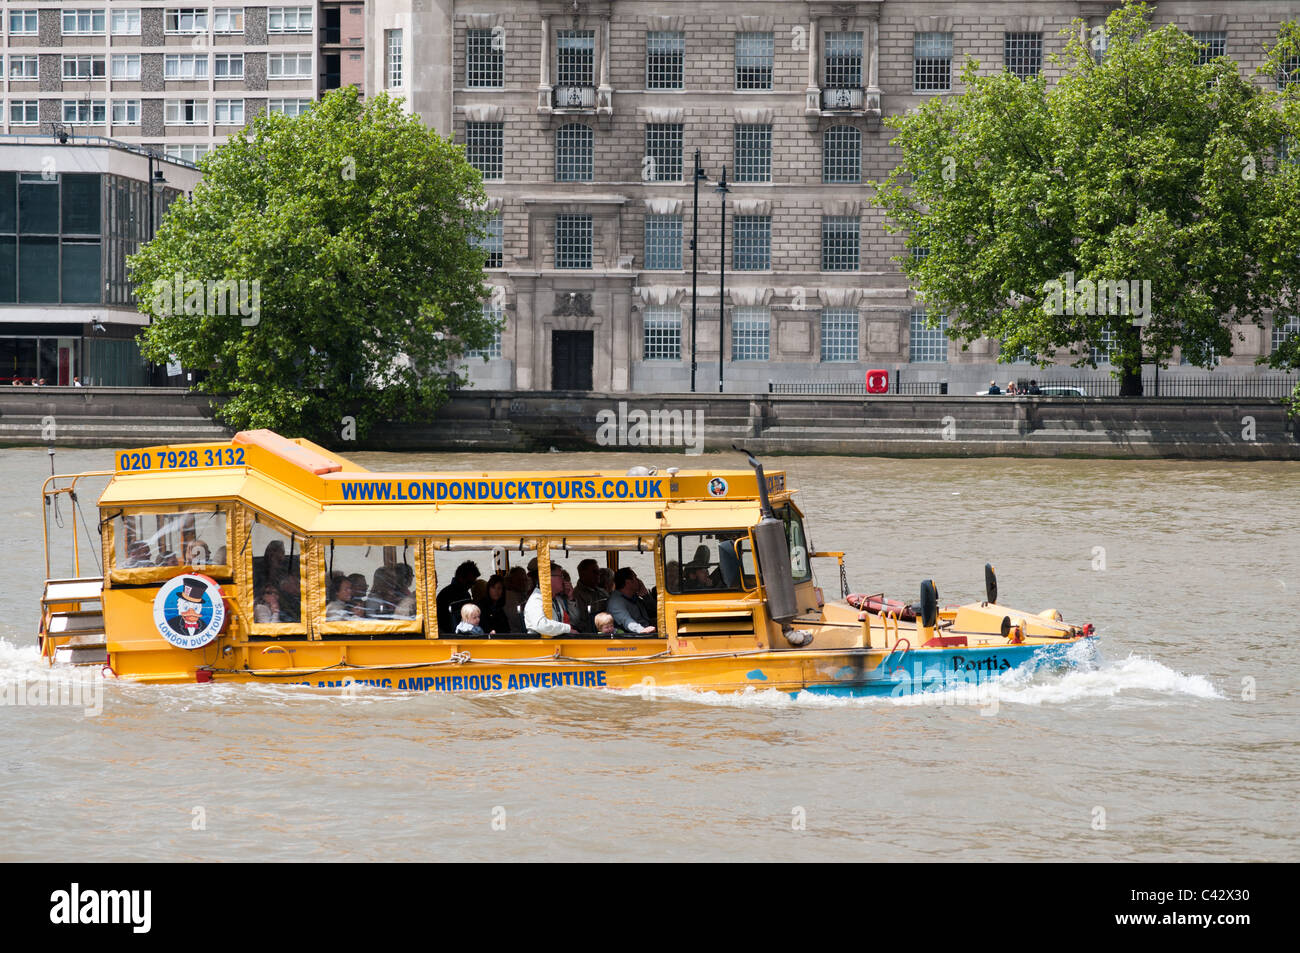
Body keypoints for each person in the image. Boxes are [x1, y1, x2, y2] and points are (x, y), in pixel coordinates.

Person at [523, 563, 574, 638]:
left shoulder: (555, 599)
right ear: (549, 578)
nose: (563, 580)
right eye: (561, 576)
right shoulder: (536, 599)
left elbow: (573, 621)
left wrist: (570, 598)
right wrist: (568, 629)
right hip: (541, 648)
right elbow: (540, 624)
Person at [606, 567, 656, 636]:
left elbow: (655, 610)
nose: (639, 581)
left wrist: (646, 596)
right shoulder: (616, 602)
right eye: (636, 578)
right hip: (634, 637)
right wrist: (642, 630)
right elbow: (627, 622)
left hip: (646, 627)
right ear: (628, 582)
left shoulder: (633, 597)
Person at [436, 560, 480, 634]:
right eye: (470, 583)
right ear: (461, 578)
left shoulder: (465, 594)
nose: (471, 586)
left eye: (473, 583)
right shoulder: (445, 596)